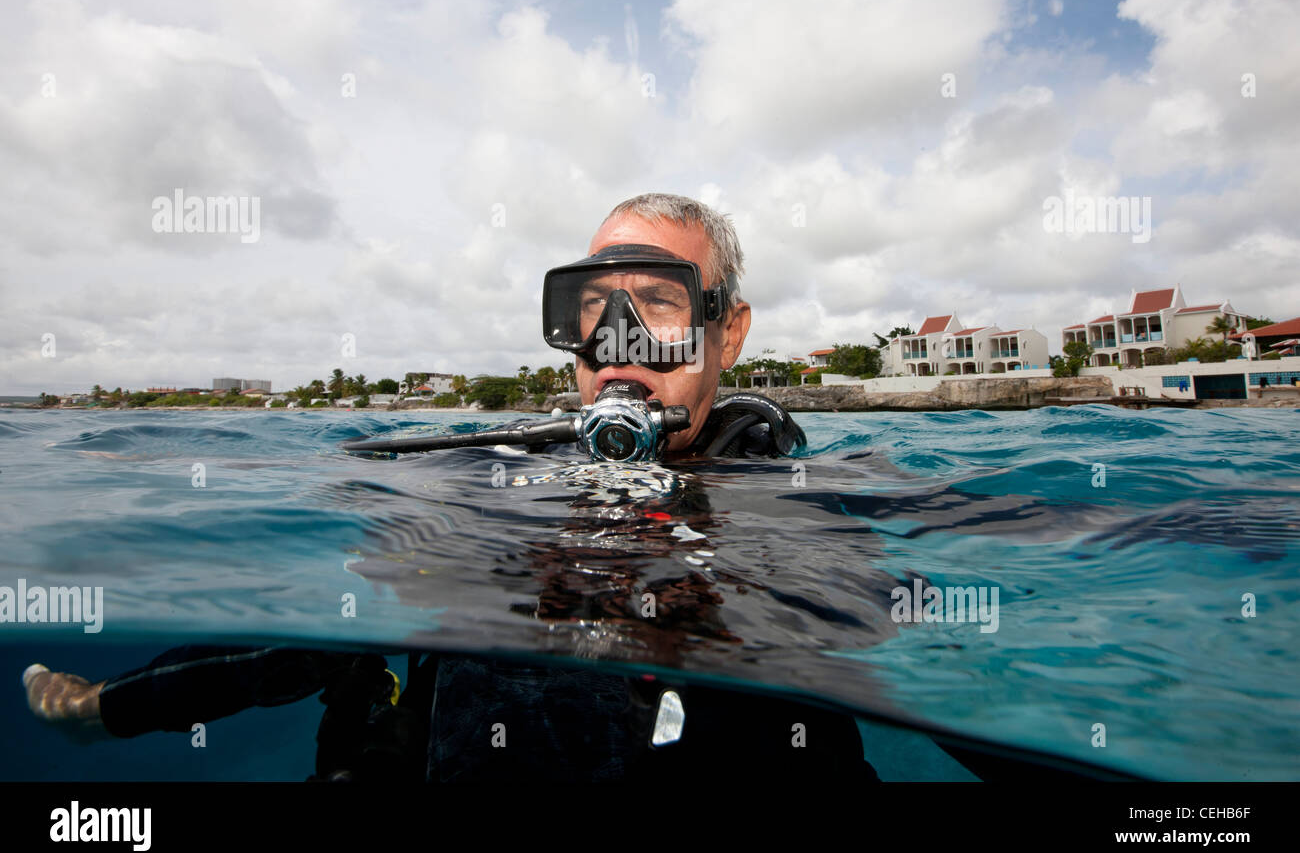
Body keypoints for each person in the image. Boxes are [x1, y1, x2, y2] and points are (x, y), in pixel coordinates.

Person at [23, 193, 874, 782]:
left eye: (657, 301)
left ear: (728, 330)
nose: (618, 342)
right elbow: (323, 621)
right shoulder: (494, 479)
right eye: (593, 307)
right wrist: (117, 705)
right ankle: (362, 706)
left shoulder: (812, 502)